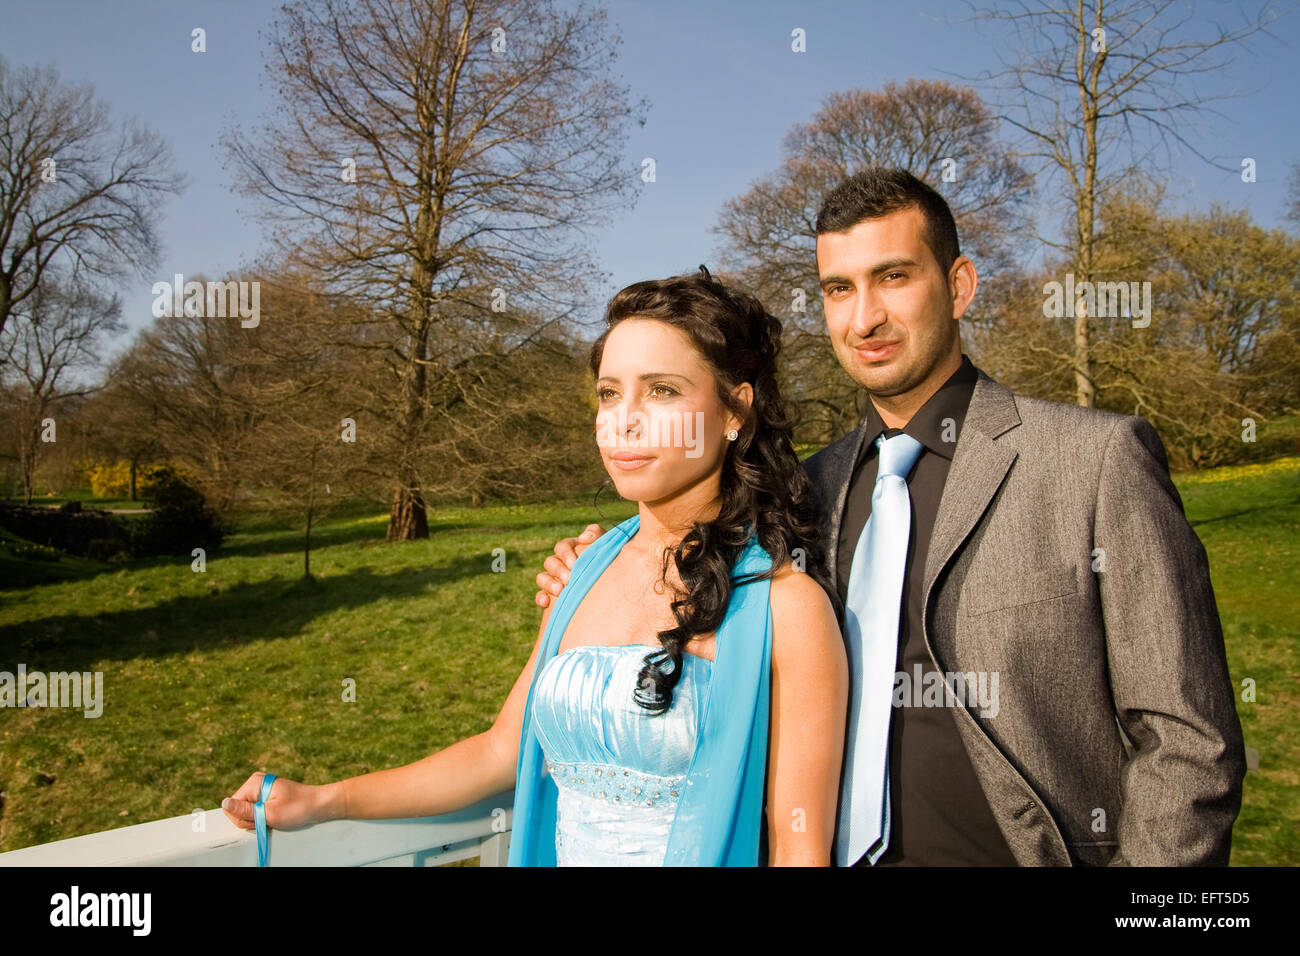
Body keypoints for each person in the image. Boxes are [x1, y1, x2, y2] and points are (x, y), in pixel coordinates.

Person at [535, 167, 1246, 866]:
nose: (864, 316)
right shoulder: (807, 488)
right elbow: (689, 567)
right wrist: (589, 567)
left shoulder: (1092, 463)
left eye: (894, 277)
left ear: (959, 285)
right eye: (839, 289)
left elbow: (1189, 742)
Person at [220, 268, 848, 866]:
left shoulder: (784, 605)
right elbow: (499, 752)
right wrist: (326, 799)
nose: (623, 419)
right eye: (609, 393)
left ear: (735, 412)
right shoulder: (582, 570)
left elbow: (799, 848)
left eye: (661, 391)